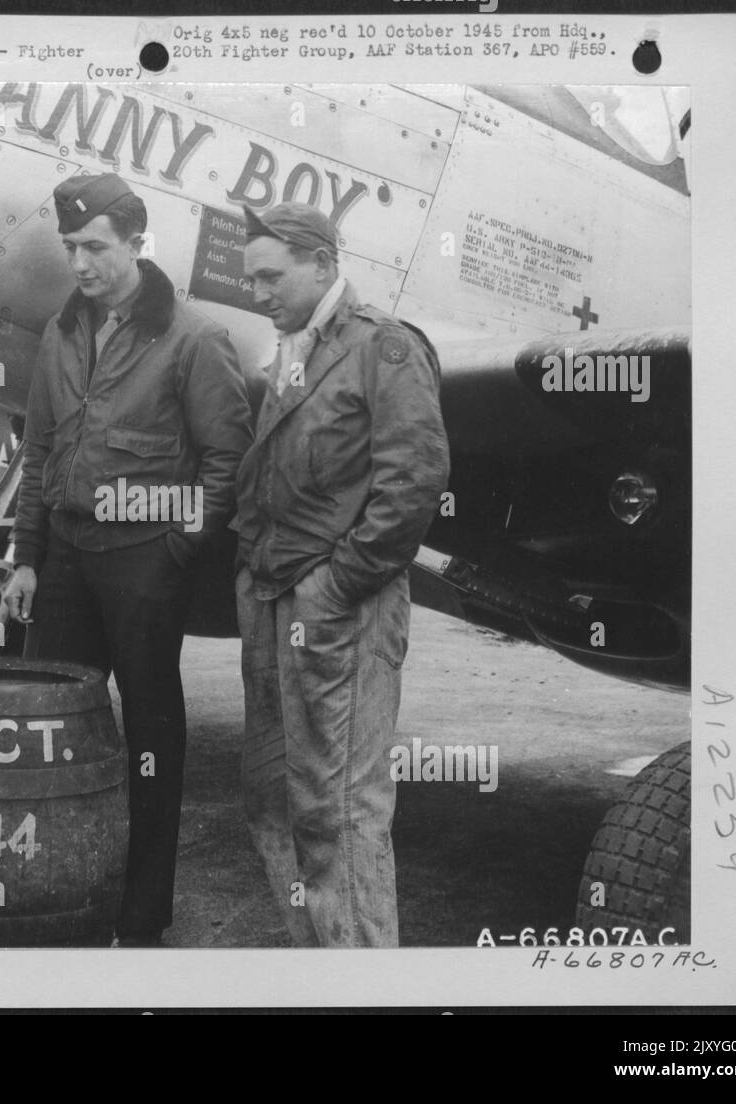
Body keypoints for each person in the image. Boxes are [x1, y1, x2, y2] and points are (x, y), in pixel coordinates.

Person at [1, 173, 252, 946]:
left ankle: (143, 913)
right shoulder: (61, 332)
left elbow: (228, 461)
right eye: (70, 247)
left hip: (143, 565)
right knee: (56, 729)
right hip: (67, 561)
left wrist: (175, 550)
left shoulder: (194, 339)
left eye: (95, 248)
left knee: (150, 735)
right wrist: (26, 558)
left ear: (137, 244)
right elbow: (39, 450)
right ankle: (65, 887)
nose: (79, 264)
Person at [234, 201, 449, 948]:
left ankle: (363, 984)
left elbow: (414, 481)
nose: (257, 292)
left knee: (339, 809)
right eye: (249, 277)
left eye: (270, 275)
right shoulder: (290, 348)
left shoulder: (383, 347)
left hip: (341, 608)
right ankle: (316, 966)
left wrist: (338, 584)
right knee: (275, 796)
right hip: (271, 596)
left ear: (323, 265)